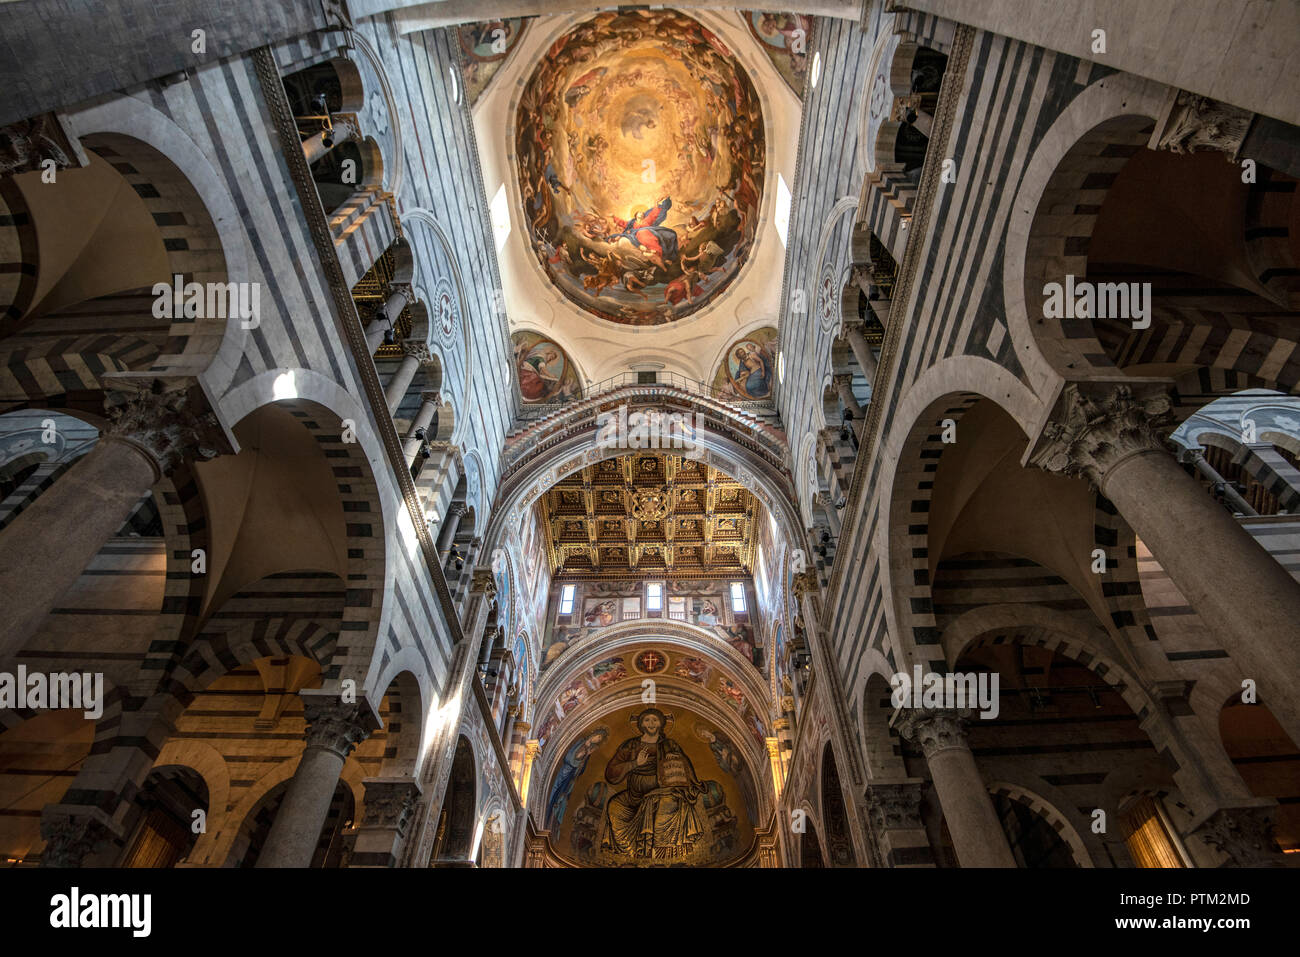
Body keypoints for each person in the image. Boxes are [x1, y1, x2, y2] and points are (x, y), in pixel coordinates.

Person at [601, 709, 705, 860]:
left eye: (655, 720)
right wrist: (635, 763)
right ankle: (631, 853)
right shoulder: (630, 745)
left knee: (668, 804)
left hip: (663, 791)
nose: (651, 723)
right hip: (633, 795)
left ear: (661, 723)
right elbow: (611, 773)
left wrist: (674, 758)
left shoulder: (669, 744)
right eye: (647, 720)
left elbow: (685, 767)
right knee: (614, 806)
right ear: (641, 724)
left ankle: (663, 856)